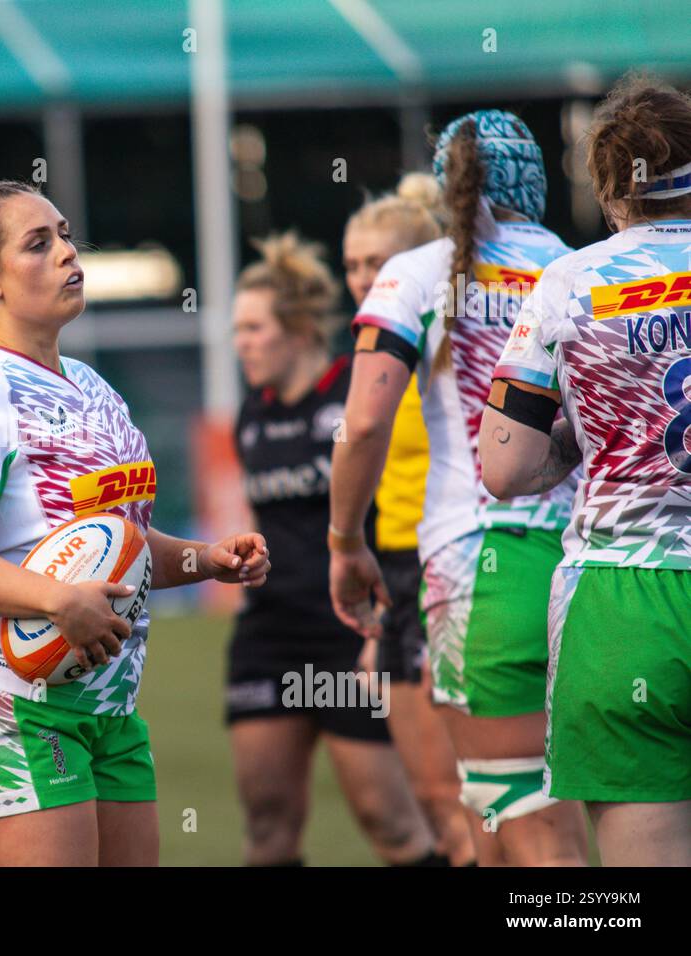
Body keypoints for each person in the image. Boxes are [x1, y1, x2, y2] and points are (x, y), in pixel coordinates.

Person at [0, 180, 270, 867]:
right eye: (39, 244)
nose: (69, 253)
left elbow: (116, 548)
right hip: (5, 699)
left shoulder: (94, 386)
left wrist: (206, 560)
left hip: (107, 708)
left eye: (66, 235)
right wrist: (56, 600)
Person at [328, 110, 589, 865]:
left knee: (517, 827)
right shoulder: (582, 266)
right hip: (593, 564)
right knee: (572, 821)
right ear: (535, 178)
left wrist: (345, 541)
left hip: (482, 568)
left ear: (447, 186)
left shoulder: (415, 272)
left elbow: (365, 422)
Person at [479, 75, 691, 866]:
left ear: (611, 192)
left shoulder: (570, 281)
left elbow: (505, 466)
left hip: (620, 602)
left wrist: (586, 439)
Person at [227, 232, 435, 866]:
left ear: (297, 329)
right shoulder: (250, 415)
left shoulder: (358, 388)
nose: (242, 343)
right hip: (269, 637)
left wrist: (390, 621)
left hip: (350, 633)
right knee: (267, 825)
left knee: (390, 823)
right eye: (237, 329)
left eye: (255, 328)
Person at [342, 175, 475, 866]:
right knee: (431, 801)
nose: (364, 277)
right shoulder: (372, 350)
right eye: (353, 265)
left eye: (379, 263)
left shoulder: (449, 344)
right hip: (394, 572)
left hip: (442, 566)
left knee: (468, 807)